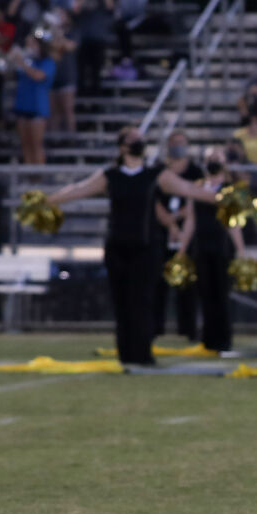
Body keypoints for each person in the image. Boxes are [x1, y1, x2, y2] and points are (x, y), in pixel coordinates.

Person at [42, 127, 220, 366]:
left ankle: (142, 354)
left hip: (146, 248)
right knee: (122, 303)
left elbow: (189, 189)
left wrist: (222, 199)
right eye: (133, 139)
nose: (139, 142)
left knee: (142, 301)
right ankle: (125, 354)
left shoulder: (156, 174)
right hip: (117, 247)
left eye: (140, 139)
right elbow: (79, 189)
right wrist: (48, 200)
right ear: (122, 147)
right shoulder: (110, 175)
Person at [186, 145, 249, 354]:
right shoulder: (197, 187)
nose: (213, 162)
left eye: (217, 158)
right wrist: (182, 249)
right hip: (201, 246)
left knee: (221, 294)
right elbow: (190, 220)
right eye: (210, 158)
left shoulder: (230, 189)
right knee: (204, 293)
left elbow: (233, 223)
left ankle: (223, 340)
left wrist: (240, 250)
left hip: (221, 247)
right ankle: (208, 339)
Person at [152, 129, 200, 343]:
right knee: (157, 282)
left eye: (181, 142)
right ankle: (155, 328)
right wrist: (170, 223)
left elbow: (197, 199)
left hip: (188, 232)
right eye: (174, 142)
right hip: (161, 232)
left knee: (188, 283)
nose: (178, 146)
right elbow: (153, 201)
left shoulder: (196, 171)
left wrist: (178, 221)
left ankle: (187, 329)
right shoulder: (158, 170)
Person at [10, 33, 53, 164]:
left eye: (32, 44)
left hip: (37, 106)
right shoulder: (27, 61)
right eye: (27, 44)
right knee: (25, 143)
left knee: (36, 144)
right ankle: (28, 172)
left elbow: (38, 76)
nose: (29, 47)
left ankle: (39, 173)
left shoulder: (47, 62)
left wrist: (22, 63)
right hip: (22, 105)